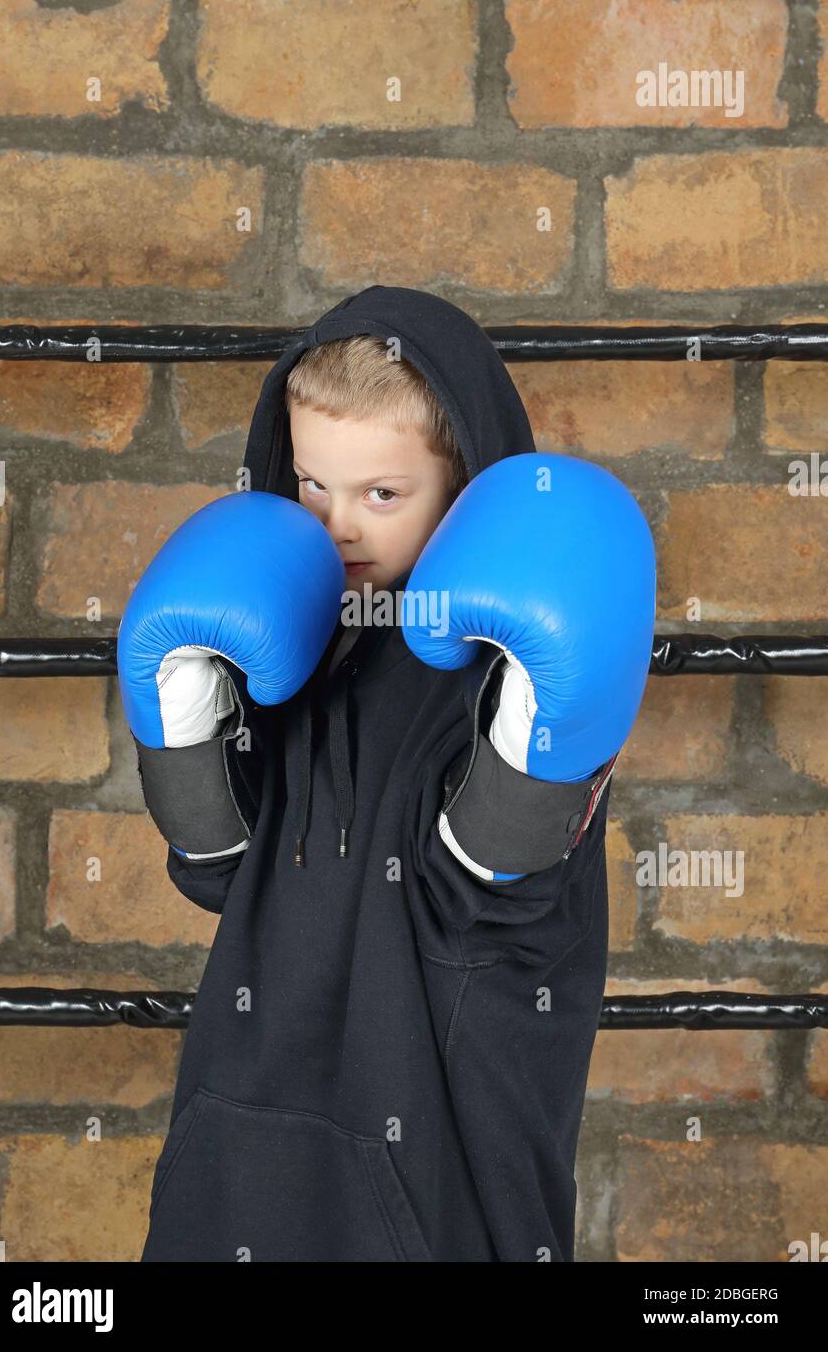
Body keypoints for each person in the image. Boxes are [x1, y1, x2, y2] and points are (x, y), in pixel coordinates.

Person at [117, 284, 655, 1262]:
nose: (337, 527)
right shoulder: (286, 634)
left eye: (379, 493)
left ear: (462, 488)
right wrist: (188, 706)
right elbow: (217, 872)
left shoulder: (509, 666)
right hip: (239, 1159)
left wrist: (528, 725)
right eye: (311, 486)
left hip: (429, 1179)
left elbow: (495, 908)